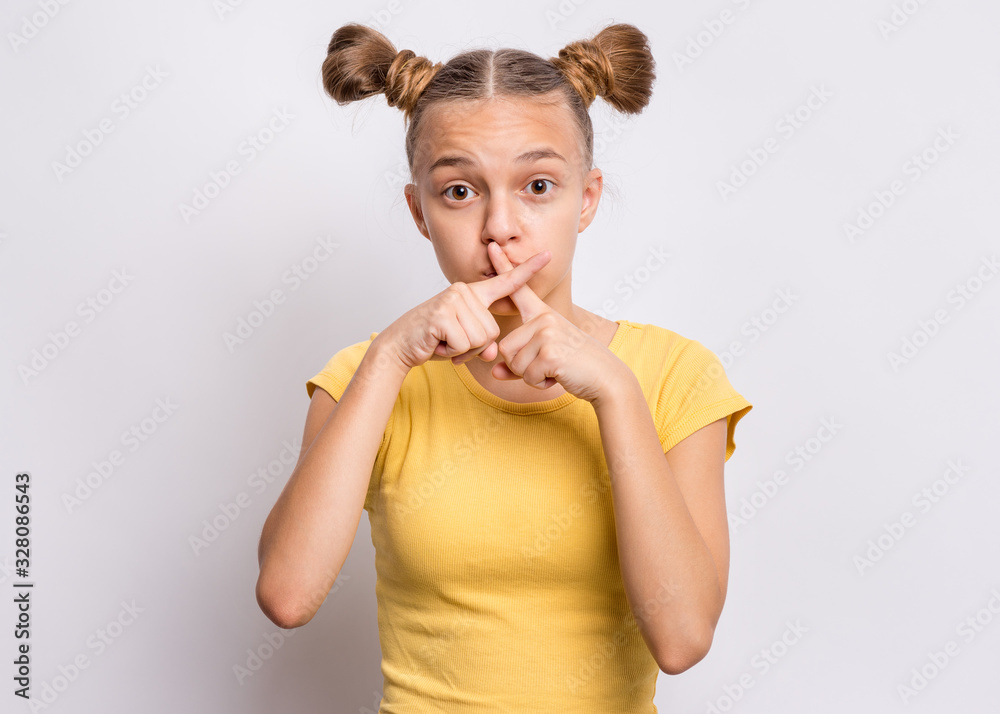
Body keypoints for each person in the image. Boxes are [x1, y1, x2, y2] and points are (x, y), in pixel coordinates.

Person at [256, 20, 753, 712]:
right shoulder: (366, 376)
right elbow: (286, 595)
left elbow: (682, 639)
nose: (499, 227)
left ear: (586, 199)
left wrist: (614, 392)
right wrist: (392, 356)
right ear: (419, 212)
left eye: (538, 186)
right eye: (460, 191)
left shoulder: (674, 375)